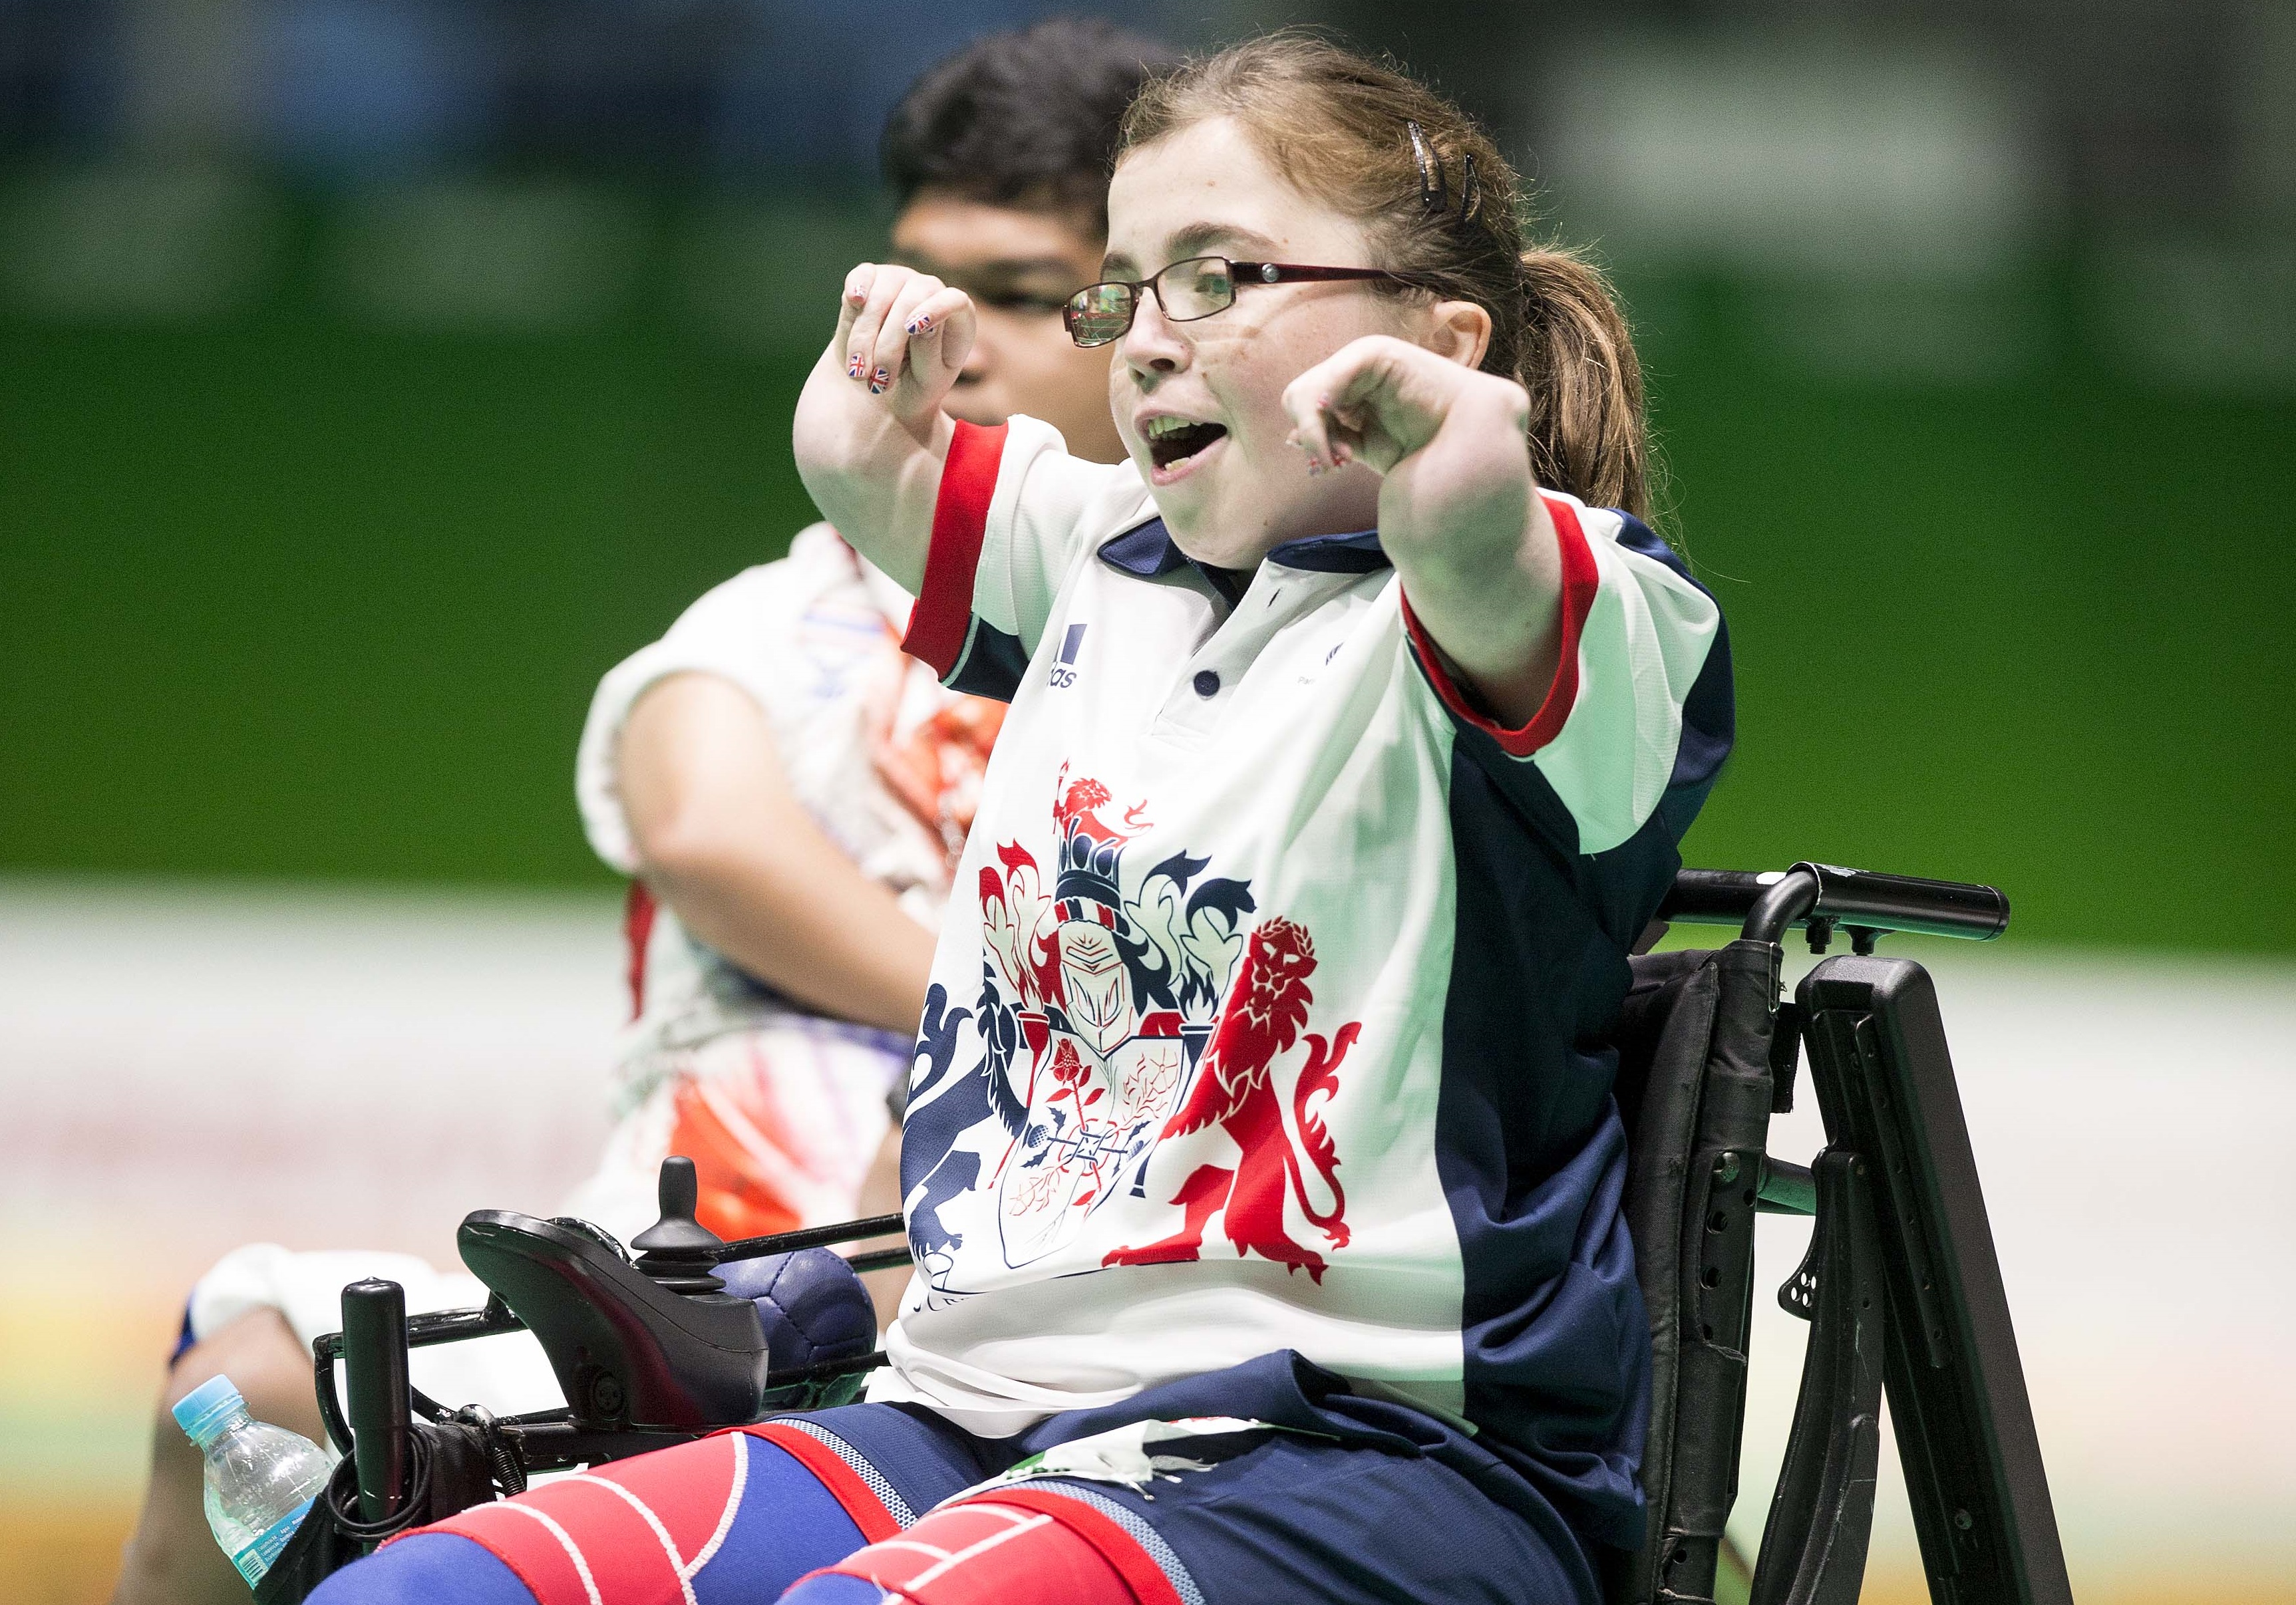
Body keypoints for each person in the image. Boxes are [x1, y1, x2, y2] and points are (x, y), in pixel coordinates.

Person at [311, 33, 1733, 1605]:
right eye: (1121, 290)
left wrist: (1468, 483)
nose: (1145, 340)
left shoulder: (1593, 611)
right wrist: (860, 409)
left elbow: (1495, 575)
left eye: (1218, 277)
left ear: (1442, 334)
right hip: (968, 1414)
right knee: (402, 1594)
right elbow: (877, 469)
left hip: (1362, 1456)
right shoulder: (1110, 557)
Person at [106, 21, 1176, 1605]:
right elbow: (708, 834)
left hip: (1047, 1324)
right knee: (247, 1397)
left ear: (1137, 319)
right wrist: (1010, 1014)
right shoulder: (777, 622)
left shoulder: (1237, 652)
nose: (949, 344)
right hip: (685, 1302)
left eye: (1018, 293)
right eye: (913, 288)